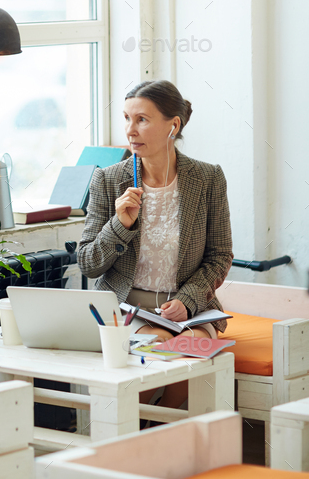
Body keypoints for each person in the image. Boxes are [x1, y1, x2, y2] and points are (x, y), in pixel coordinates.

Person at [77, 79, 233, 408]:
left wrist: (188, 300)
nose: (130, 130)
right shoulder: (107, 179)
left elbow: (220, 256)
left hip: (191, 312)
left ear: (172, 126)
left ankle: (157, 427)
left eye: (142, 120)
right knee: (155, 351)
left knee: (189, 355)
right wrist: (120, 224)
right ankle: (139, 428)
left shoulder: (208, 178)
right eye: (127, 119)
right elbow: (88, 264)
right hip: (127, 309)